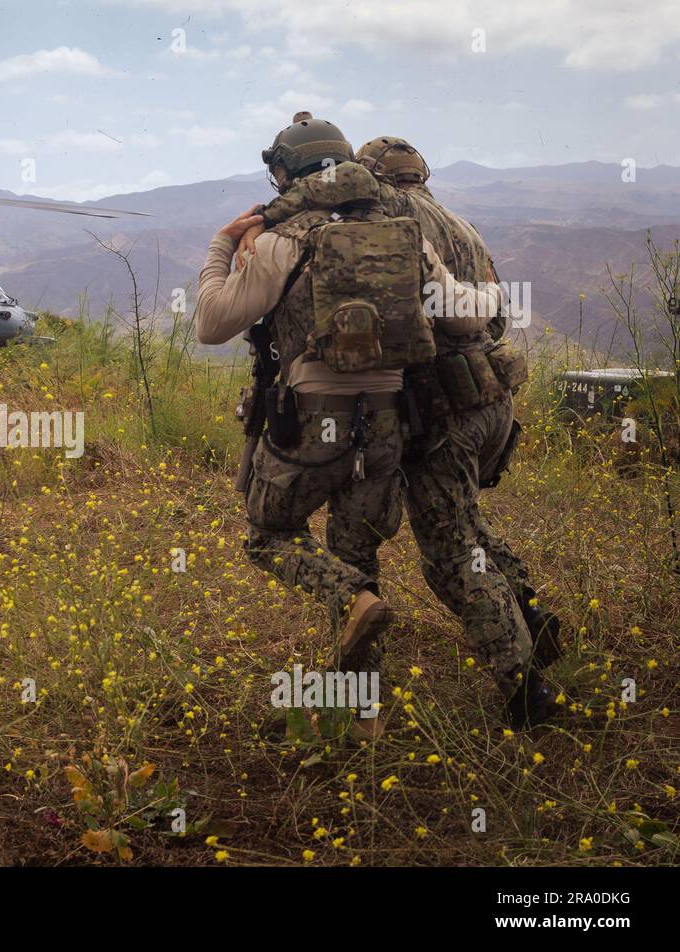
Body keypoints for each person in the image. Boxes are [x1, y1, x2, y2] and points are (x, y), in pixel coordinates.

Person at [240, 135, 560, 728]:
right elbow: (488, 308)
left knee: (450, 552)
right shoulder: (464, 227)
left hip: (442, 407)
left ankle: (525, 691)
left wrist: (261, 219)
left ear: (376, 174)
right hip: (494, 398)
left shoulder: (389, 209)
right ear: (424, 172)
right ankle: (532, 615)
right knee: (465, 520)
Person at [196, 112, 501, 690]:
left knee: (268, 536)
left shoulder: (281, 241)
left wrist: (220, 247)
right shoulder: (404, 236)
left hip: (310, 419)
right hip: (386, 422)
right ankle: (360, 707)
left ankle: (353, 601)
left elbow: (211, 323)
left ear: (287, 174)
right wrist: (491, 292)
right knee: (357, 550)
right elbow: (462, 313)